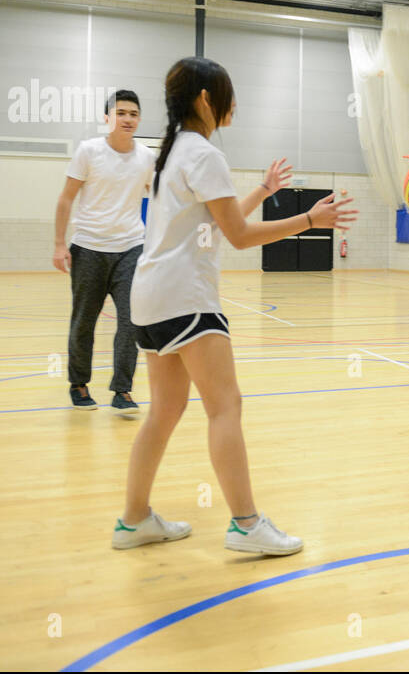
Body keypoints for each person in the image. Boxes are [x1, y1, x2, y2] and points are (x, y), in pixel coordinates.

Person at [112, 56, 356, 555]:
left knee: (164, 410)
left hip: (152, 297)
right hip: (186, 299)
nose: (235, 103)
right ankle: (246, 525)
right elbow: (241, 238)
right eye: (228, 93)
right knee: (225, 406)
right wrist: (309, 218)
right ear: (205, 99)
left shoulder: (174, 152)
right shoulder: (202, 153)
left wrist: (264, 191)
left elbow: (216, 224)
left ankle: (134, 519)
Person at [54, 90, 153, 417]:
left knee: (131, 322)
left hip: (131, 249)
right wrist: (59, 244)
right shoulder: (88, 151)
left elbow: (163, 200)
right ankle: (78, 384)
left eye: (133, 114)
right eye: (121, 113)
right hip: (89, 248)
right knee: (84, 321)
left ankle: (122, 390)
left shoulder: (147, 157)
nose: (127, 119)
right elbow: (67, 198)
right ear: (108, 118)